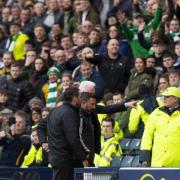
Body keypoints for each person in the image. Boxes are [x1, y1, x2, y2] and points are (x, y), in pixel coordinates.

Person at [38, 87, 88, 180]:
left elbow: (40, 126)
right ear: (74, 98)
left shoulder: (54, 111)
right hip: (64, 158)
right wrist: (83, 158)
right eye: (80, 97)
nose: (82, 100)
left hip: (56, 156)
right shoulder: (69, 113)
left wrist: (43, 141)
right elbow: (73, 139)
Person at [140, 86, 180, 167]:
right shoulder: (156, 113)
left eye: (167, 97)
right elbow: (147, 136)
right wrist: (145, 157)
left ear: (176, 99)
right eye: (164, 96)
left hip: (177, 162)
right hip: (158, 162)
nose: (164, 99)